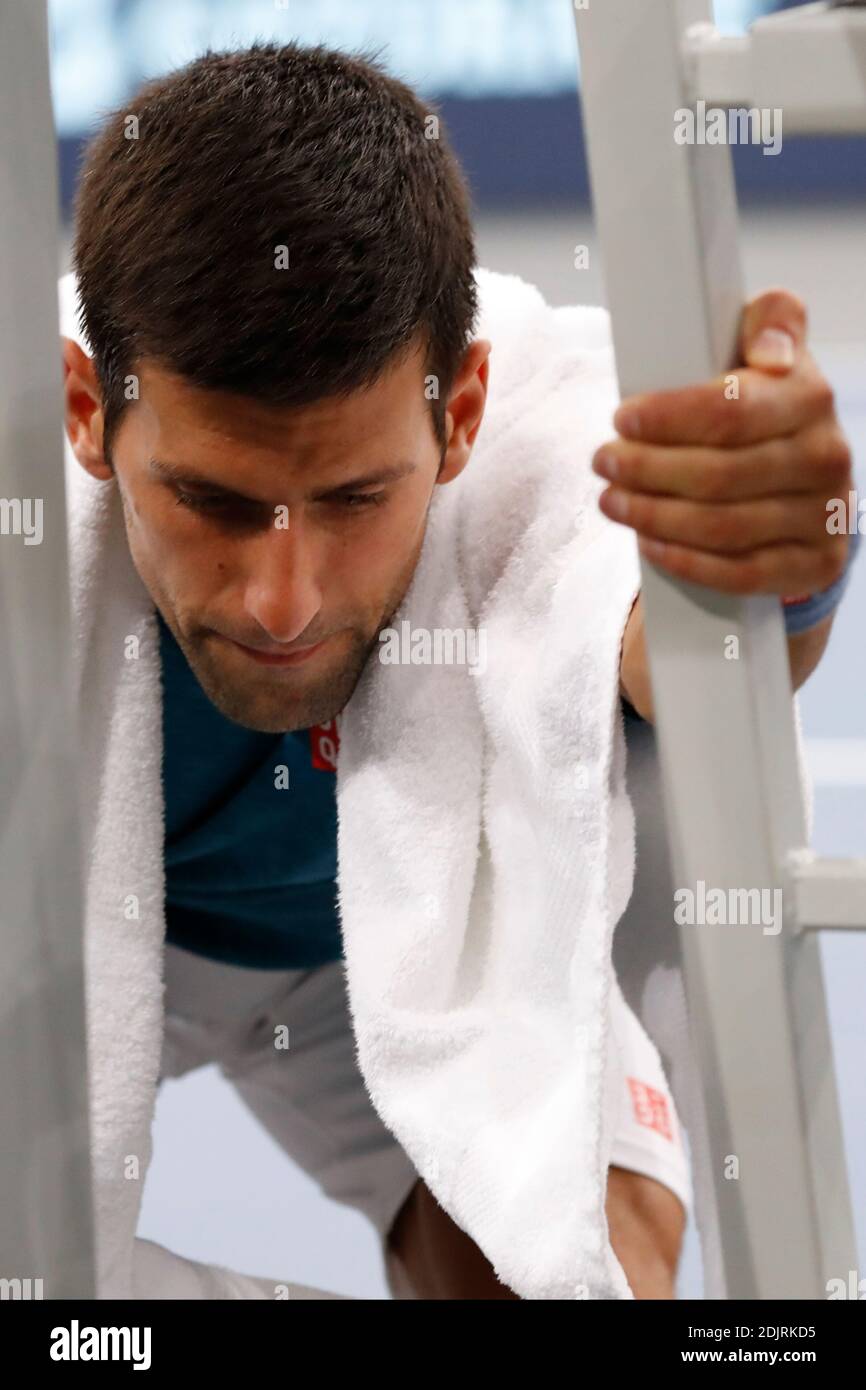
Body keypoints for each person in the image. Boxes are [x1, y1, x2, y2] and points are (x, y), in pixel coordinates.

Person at [61, 40, 856, 1299]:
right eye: (211, 500)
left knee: (579, 1276)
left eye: (354, 497)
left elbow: (682, 645)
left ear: (461, 408)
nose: (284, 600)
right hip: (68, 951)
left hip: (394, 943)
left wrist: (773, 545)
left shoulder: (560, 433)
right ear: (83, 412)